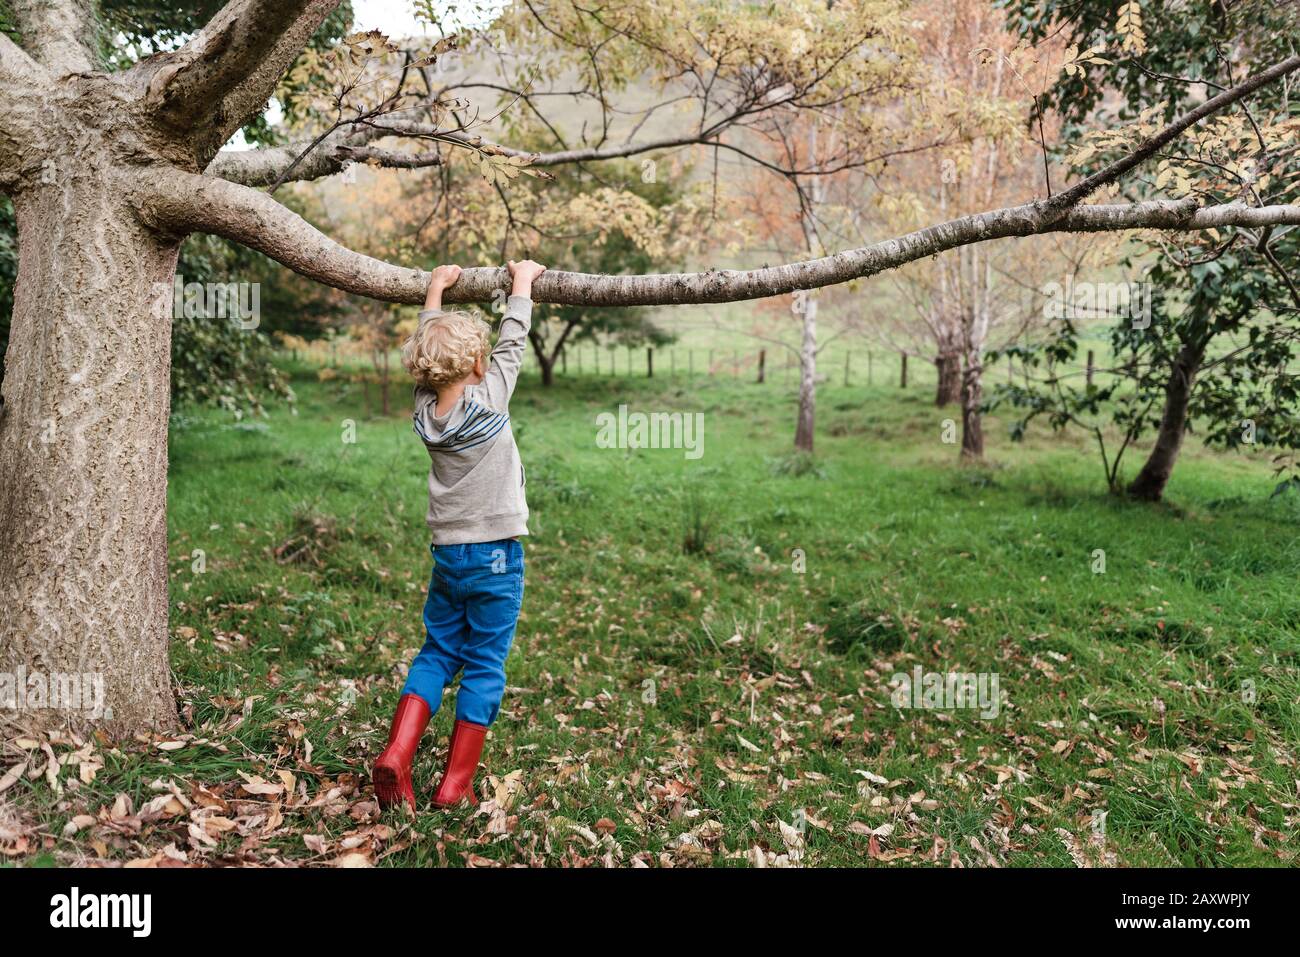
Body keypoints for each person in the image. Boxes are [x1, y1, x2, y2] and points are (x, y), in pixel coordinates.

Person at [372, 258, 546, 810]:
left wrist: (434, 290)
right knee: (486, 660)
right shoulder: (490, 398)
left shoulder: (424, 412)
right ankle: (456, 783)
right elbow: (513, 341)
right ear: (478, 363)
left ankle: (397, 754)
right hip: (496, 555)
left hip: (448, 555)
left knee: (439, 650)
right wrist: (523, 282)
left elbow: (433, 351)